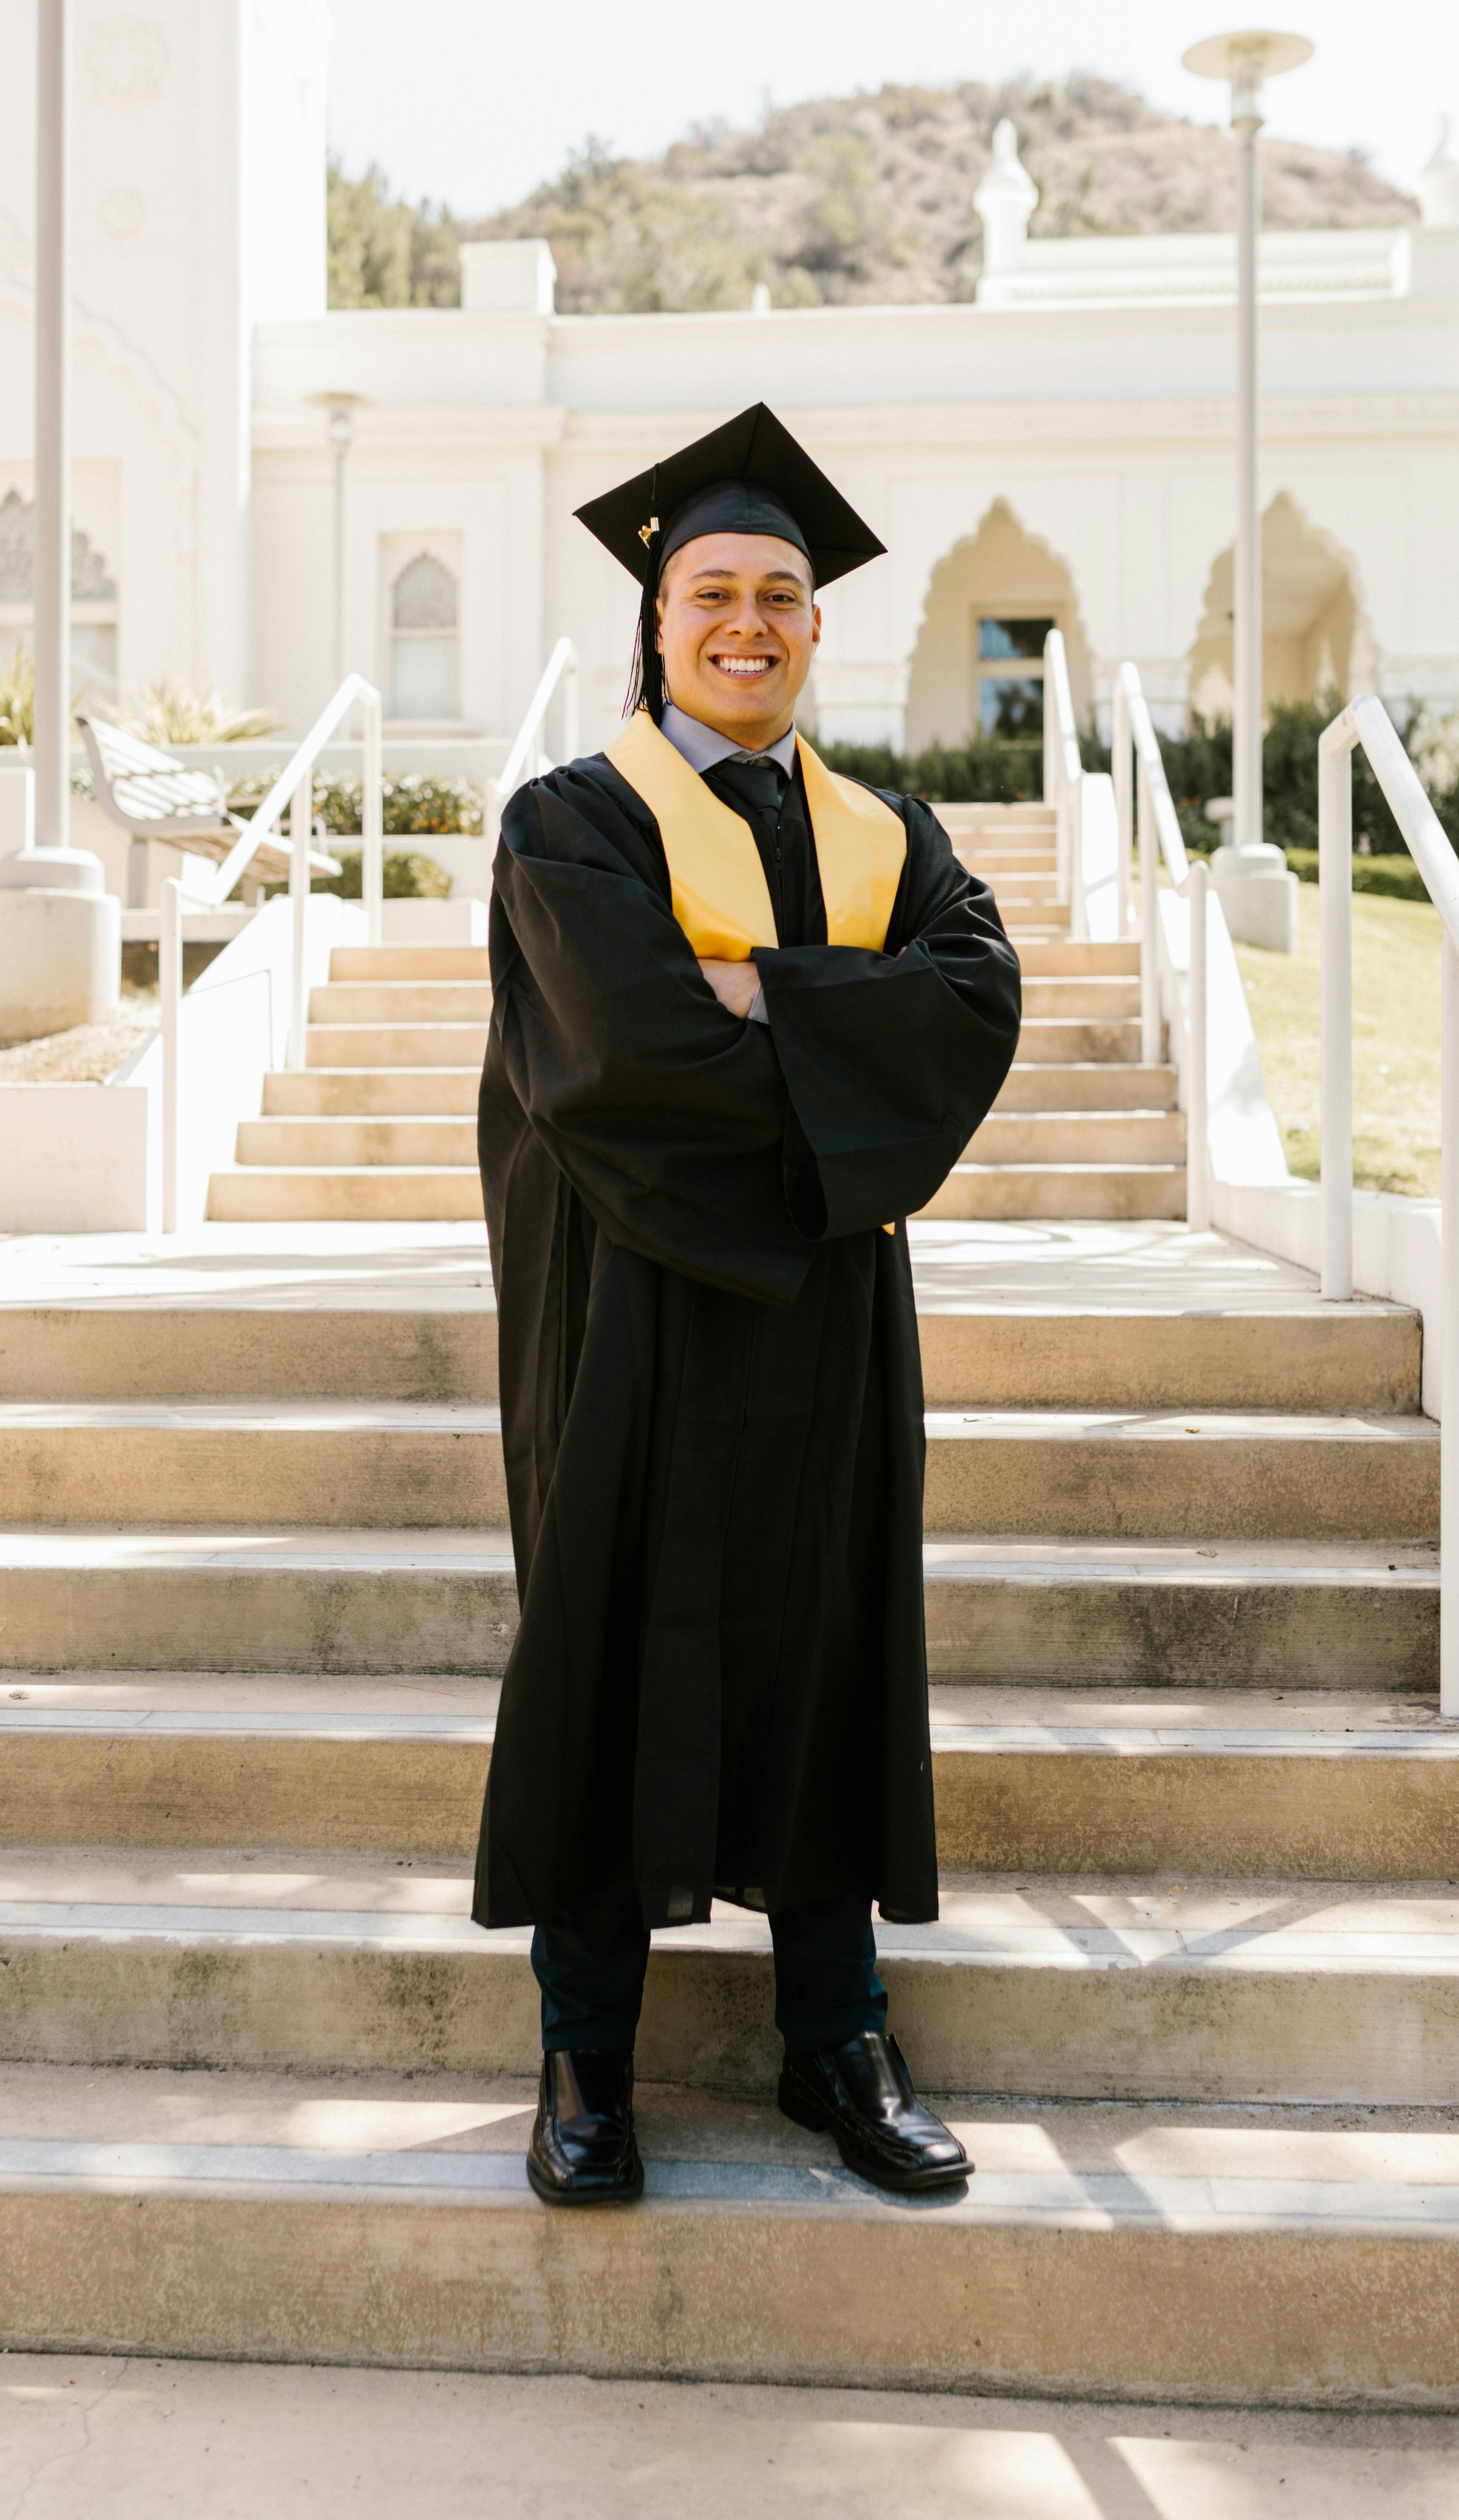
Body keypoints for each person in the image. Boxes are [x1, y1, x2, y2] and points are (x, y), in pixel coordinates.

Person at [475, 403, 1021, 2206]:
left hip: (827, 1343)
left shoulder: (888, 836)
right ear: (655, 616)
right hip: (625, 1320)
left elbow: (969, 1012)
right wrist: (831, 1042)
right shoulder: (570, 824)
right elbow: (617, 1061)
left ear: (813, 623)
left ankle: (835, 2041)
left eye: (780, 595)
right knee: (607, 1646)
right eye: (712, 589)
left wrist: (761, 994)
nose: (747, 623)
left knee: (830, 1646)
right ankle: (586, 2056)